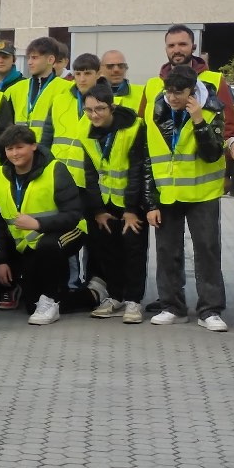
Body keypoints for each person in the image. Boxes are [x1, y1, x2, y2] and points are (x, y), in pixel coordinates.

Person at [142, 66, 230, 331]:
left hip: (203, 194)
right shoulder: (156, 109)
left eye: (178, 92)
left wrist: (199, 120)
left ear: (193, 90)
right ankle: (172, 306)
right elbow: (149, 158)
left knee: (207, 250)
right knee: (167, 251)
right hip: (168, 194)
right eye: (169, 91)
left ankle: (210, 310)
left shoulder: (213, 108)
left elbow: (214, 153)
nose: (173, 97)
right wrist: (151, 203)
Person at [0, 125, 91, 325]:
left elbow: (73, 214)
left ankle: (51, 300)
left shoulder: (55, 169)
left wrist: (38, 223)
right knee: (30, 305)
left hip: (69, 231)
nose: (14, 153)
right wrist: (0, 260)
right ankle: (93, 295)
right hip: (29, 243)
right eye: (9, 149)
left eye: (19, 147)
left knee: (49, 246)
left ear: (34, 146)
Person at [77, 84, 149, 324]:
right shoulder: (85, 130)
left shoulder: (134, 128)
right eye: (88, 110)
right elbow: (90, 173)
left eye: (99, 109)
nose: (93, 115)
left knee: (133, 251)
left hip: (132, 204)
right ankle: (115, 296)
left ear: (112, 107)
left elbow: (137, 170)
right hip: (105, 205)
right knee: (108, 252)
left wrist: (130, 210)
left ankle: (134, 301)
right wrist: (97, 210)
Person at [40, 53, 103, 190]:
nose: (82, 79)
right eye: (78, 74)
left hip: (92, 179)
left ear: (98, 74)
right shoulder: (60, 100)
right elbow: (46, 137)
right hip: (58, 174)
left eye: (87, 74)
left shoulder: (107, 102)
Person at [6, 38, 71, 140]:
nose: (29, 62)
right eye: (29, 58)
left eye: (35, 58)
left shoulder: (66, 89)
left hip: (47, 152)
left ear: (50, 60)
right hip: (19, 150)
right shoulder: (14, 89)